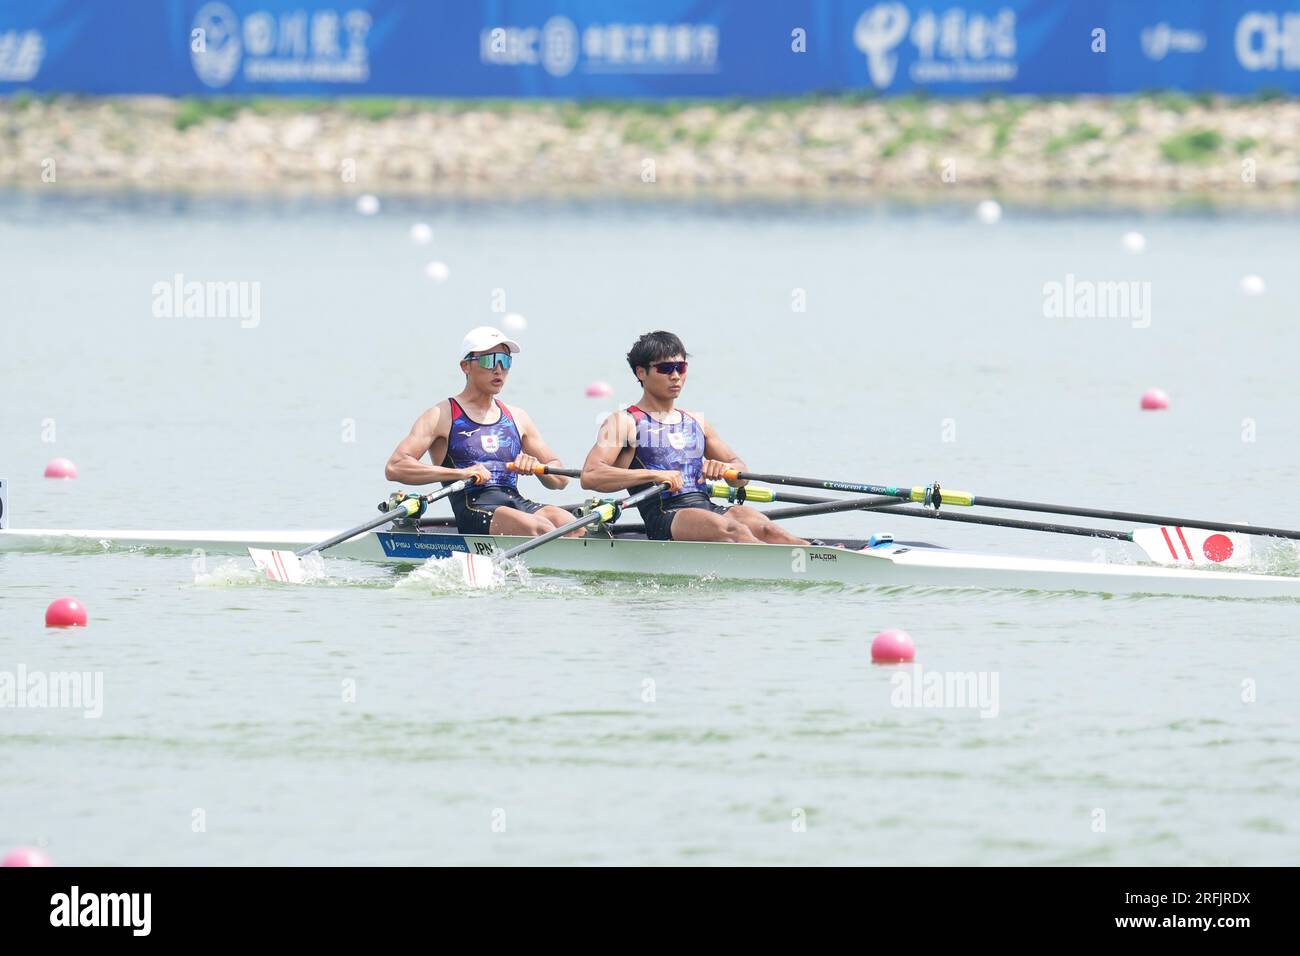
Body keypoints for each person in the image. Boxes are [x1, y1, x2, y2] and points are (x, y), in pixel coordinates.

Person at [580, 330, 808, 545]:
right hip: (667, 516)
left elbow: (740, 475)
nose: (676, 376)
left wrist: (725, 470)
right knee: (735, 531)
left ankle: (812, 553)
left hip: (707, 508)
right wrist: (655, 474)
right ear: (641, 372)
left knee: (769, 529)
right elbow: (590, 476)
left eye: (681, 367)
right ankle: (774, 565)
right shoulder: (624, 421)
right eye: (666, 369)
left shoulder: (696, 421)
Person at [384, 326, 575, 536]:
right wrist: (460, 473)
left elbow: (560, 480)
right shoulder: (442, 415)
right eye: (489, 360)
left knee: (571, 524)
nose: (499, 369)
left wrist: (538, 468)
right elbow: (396, 467)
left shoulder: (517, 417)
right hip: (474, 509)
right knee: (540, 528)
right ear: (465, 366)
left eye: (506, 361)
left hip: (516, 503)